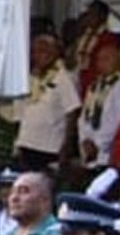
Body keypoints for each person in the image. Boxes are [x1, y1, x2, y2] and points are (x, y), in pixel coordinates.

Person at [11, 34, 80, 170]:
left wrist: (66, 146)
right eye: (37, 51)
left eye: (47, 50)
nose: (42, 55)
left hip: (50, 147)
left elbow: (72, 110)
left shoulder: (63, 77)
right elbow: (19, 115)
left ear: (56, 52)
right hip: (26, 144)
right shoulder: (28, 78)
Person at [76, 41, 120, 168]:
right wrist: (84, 140)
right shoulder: (94, 86)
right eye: (99, 59)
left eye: (106, 59)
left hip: (107, 154)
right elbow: (84, 117)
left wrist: (98, 143)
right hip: (88, 153)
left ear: (118, 61)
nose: (101, 63)